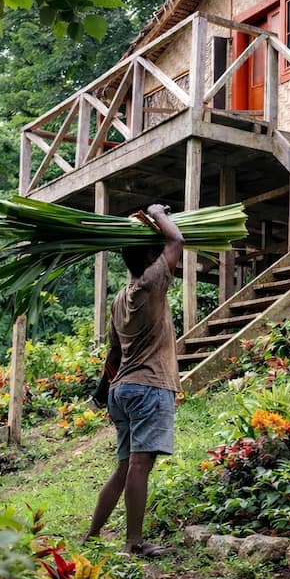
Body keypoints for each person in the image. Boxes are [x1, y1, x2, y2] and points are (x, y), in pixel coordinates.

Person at [85, 203, 184, 557]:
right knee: (140, 466)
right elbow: (177, 240)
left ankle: (93, 533)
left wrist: (100, 392)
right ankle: (134, 543)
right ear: (148, 258)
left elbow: (113, 354)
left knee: (125, 465)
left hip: (121, 390)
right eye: (154, 252)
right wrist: (157, 213)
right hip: (149, 387)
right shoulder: (152, 285)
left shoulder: (120, 299)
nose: (162, 255)